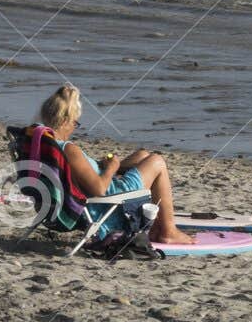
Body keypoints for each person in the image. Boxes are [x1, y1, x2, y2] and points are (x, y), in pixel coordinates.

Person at [35, 85, 194, 246]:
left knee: (142, 155)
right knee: (157, 161)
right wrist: (112, 167)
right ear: (64, 121)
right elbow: (99, 190)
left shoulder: (43, 146)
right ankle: (168, 231)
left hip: (91, 188)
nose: (74, 128)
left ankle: (156, 227)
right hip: (108, 198)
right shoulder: (68, 149)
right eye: (75, 123)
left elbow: (78, 175)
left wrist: (104, 166)